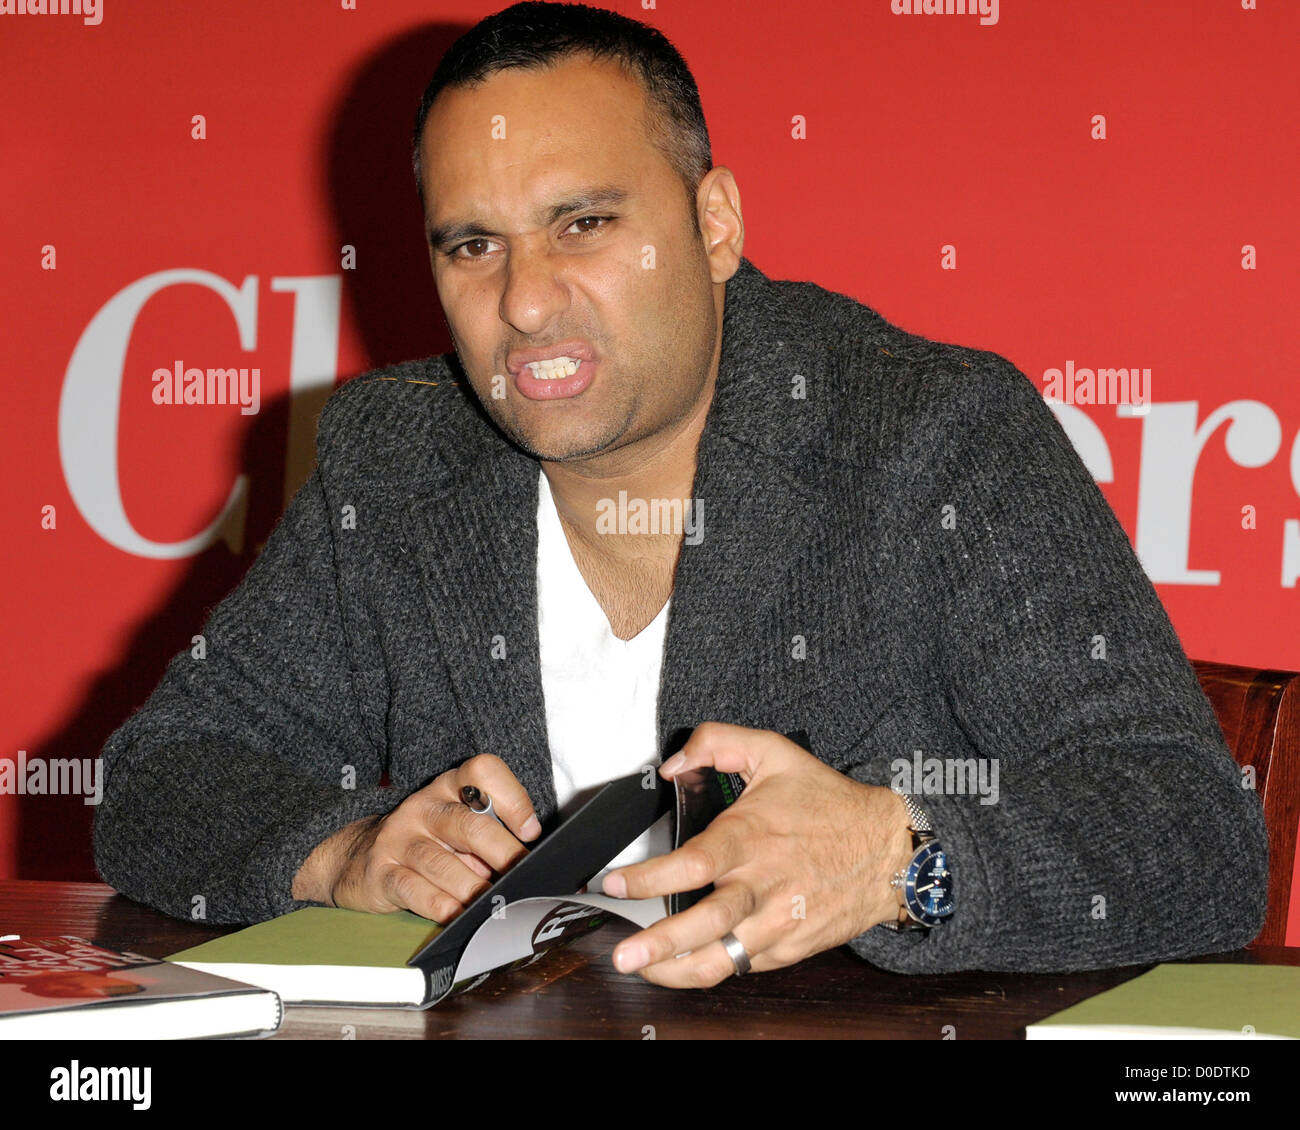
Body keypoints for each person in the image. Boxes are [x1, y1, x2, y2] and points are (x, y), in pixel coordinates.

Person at [93, 1, 1268, 987]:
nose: (527, 302)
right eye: (472, 245)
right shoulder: (395, 457)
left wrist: (900, 860)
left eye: (585, 224)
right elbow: (161, 780)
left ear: (713, 224)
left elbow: (1197, 839)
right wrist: (339, 852)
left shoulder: (929, 434)